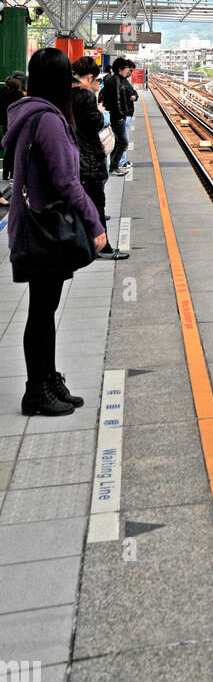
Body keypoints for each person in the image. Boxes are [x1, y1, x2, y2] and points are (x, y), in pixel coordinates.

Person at [4, 48, 106, 416]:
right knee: (42, 311)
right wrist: (95, 223)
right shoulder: (48, 120)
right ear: (61, 80)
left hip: (33, 222)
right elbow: (67, 182)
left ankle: (47, 380)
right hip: (45, 226)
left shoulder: (30, 113)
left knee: (43, 310)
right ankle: (36, 390)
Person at [71, 56, 129, 262]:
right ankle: (103, 248)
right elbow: (94, 123)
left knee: (83, 202)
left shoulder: (66, 94)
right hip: (89, 157)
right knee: (96, 202)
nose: (97, 84)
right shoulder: (85, 96)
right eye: (96, 81)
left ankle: (82, 243)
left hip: (74, 155)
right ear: (88, 78)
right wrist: (100, 112)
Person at [101, 56, 133, 176]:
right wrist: (121, 115)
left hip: (118, 116)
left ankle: (114, 166)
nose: (128, 71)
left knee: (118, 142)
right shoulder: (116, 81)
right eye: (126, 69)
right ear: (120, 69)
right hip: (117, 116)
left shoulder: (118, 80)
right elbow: (117, 100)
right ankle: (114, 167)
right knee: (123, 142)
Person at [0, 70, 26, 198]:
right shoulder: (19, 95)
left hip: (4, 124)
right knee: (15, 148)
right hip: (15, 124)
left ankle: (5, 173)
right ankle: (12, 173)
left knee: (8, 148)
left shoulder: (2, 92)